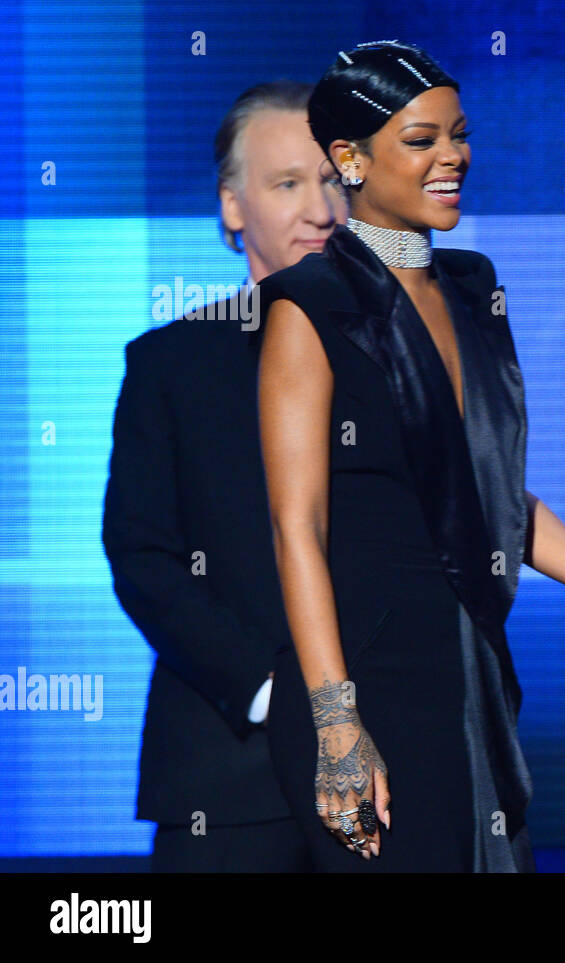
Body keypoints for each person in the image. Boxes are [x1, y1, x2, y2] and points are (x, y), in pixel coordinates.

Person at [256, 40, 565, 873]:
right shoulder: (310, 306)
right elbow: (296, 529)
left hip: (472, 678)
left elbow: (493, 496)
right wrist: (336, 721)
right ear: (349, 159)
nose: (452, 157)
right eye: (421, 140)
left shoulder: (473, 286)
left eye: (457, 135)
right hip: (364, 683)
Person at [102, 81, 347, 871]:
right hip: (227, 782)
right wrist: (273, 692)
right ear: (233, 206)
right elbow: (144, 557)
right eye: (288, 183)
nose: (320, 208)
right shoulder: (171, 363)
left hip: (399, 778)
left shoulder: (407, 357)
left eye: (335, 179)